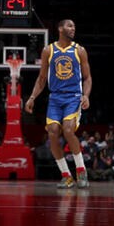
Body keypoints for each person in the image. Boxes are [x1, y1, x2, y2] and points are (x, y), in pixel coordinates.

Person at [24, 19, 92, 189]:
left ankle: (81, 171)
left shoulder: (79, 50)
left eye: (74, 26)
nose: (73, 28)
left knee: (68, 130)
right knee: (53, 132)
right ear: (60, 29)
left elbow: (87, 78)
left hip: (73, 97)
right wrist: (32, 97)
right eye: (70, 26)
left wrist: (86, 95)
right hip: (55, 98)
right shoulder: (49, 50)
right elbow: (41, 78)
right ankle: (66, 176)